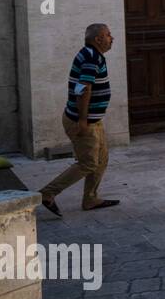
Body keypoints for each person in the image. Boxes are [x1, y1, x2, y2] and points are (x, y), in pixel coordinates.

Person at [39, 23, 121, 216]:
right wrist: (82, 119)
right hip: (84, 121)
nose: (112, 38)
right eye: (108, 35)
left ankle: (90, 198)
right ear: (98, 39)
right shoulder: (91, 57)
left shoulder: (92, 54)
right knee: (88, 163)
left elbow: (80, 85)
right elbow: (82, 88)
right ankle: (47, 193)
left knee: (101, 159)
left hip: (93, 120)